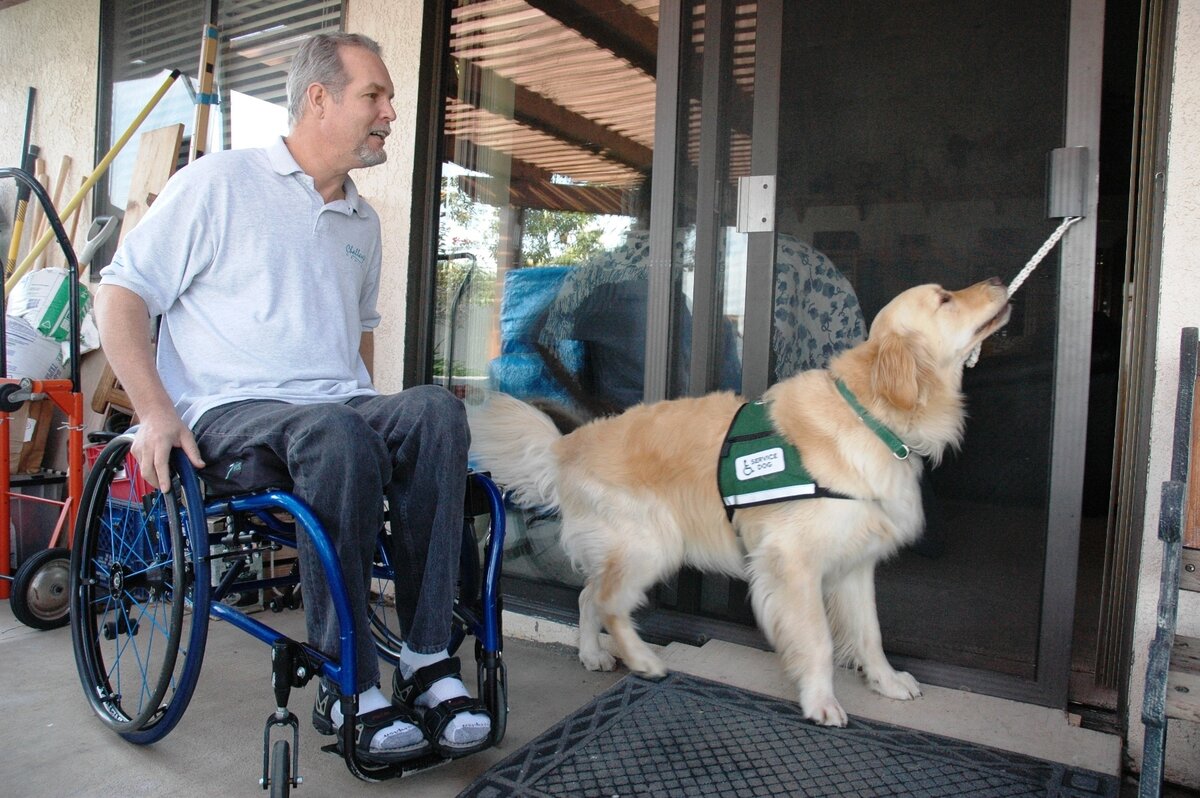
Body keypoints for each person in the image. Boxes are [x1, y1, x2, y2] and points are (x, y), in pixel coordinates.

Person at [95, 32, 490, 765]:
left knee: (435, 410)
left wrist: (378, 414)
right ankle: (348, 685)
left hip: (334, 407)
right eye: (375, 96)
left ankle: (428, 659)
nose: (391, 113)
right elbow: (120, 294)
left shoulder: (363, 221)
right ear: (319, 98)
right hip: (232, 412)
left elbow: (358, 342)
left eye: (389, 100)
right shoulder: (219, 183)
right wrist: (154, 411)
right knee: (335, 431)